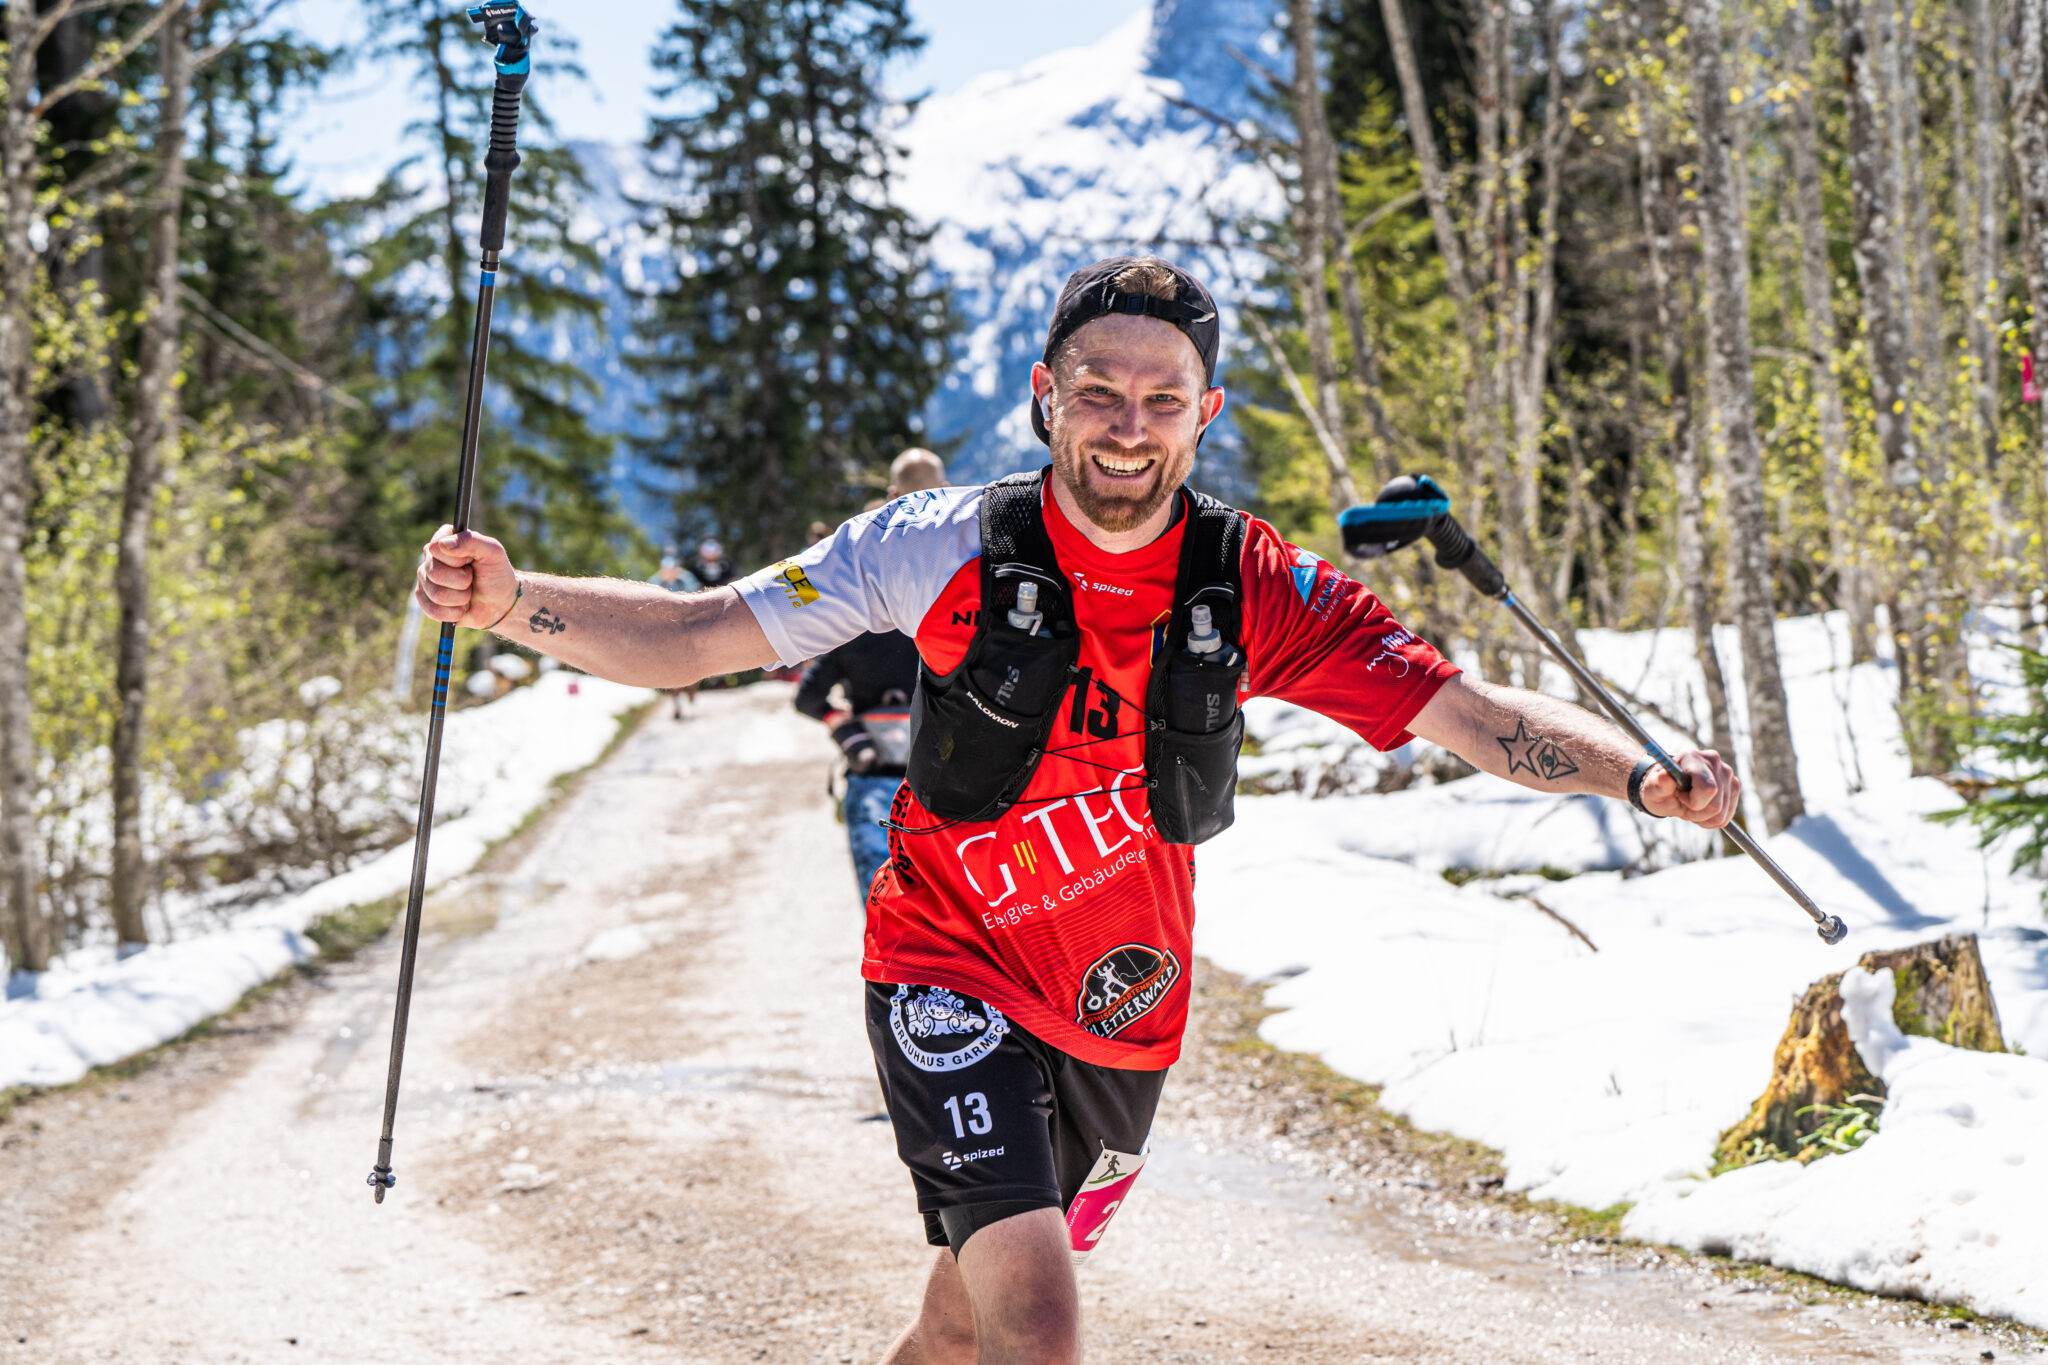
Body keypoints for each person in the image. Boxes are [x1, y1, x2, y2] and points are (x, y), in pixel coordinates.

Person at [415, 256, 1740, 1365]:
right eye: (1096, 391)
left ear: (1203, 412)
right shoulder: (932, 543)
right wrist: (512, 601)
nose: (1126, 422)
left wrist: (1635, 771)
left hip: (1120, 1006)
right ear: (1045, 395)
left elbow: (1465, 711)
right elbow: (702, 632)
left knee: (961, 1322)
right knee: (1037, 1322)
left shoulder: (1255, 583)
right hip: (945, 968)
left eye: (1160, 397)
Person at [794, 450, 951, 902]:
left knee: (883, 908)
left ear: (890, 499)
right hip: (949, 785)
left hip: (873, 778)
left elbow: (808, 696)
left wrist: (845, 730)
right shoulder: (966, 585)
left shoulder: (856, 611)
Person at [647, 550, 703, 719]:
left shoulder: (687, 579)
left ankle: (692, 690)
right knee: (671, 668)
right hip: (666, 631)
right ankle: (676, 700)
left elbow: (698, 597)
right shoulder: (653, 582)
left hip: (687, 627)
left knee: (693, 663)